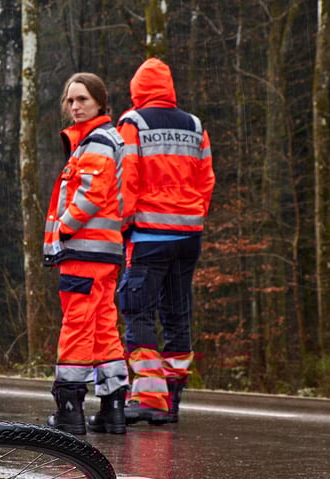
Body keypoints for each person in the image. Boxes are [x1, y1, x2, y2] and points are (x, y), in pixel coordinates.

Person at [116, 58, 215, 425]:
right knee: (177, 312)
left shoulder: (133, 123)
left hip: (148, 233)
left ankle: (149, 396)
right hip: (188, 235)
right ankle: (171, 397)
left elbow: (128, 178)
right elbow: (206, 180)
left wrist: (122, 224)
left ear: (137, 89)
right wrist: (193, 215)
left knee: (138, 309)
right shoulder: (194, 125)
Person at [42, 73, 128, 435]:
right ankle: (113, 408)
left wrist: (63, 228)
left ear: (100, 102)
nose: (75, 107)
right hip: (104, 251)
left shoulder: (96, 141)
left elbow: (91, 193)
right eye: (70, 100)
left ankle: (69, 409)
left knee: (77, 325)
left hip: (85, 250)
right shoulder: (104, 139)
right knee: (103, 326)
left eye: (83, 100)